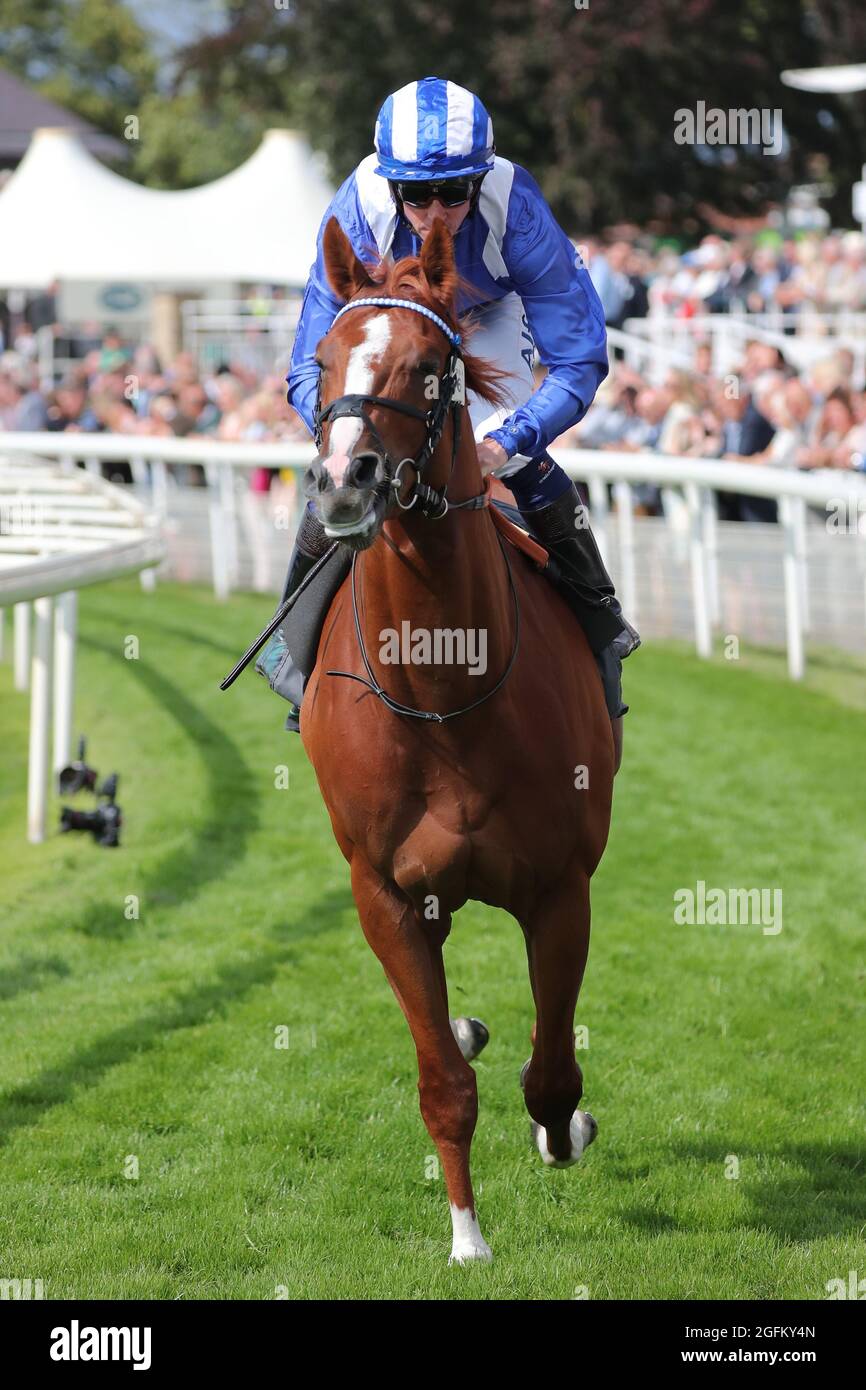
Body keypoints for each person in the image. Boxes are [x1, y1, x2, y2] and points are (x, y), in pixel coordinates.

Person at [282, 76, 639, 744]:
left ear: (483, 179)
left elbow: (581, 360)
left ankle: (602, 633)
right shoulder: (357, 210)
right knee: (342, 476)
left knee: (516, 456)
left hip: (493, 313)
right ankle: (293, 649)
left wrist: (507, 443)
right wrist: (346, 441)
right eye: (416, 194)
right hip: (396, 325)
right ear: (392, 187)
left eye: (455, 192)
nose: (435, 213)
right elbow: (308, 365)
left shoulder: (518, 207)